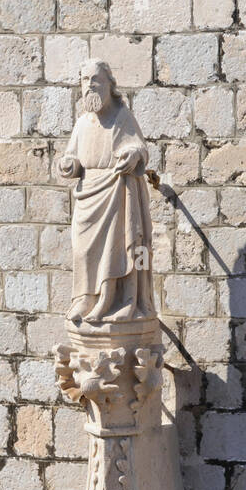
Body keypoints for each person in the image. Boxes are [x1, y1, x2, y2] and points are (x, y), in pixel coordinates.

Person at [59, 60, 155, 329]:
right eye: (84, 80)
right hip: (88, 193)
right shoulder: (82, 123)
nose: (89, 86)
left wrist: (134, 155)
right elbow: (73, 155)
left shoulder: (122, 117)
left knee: (115, 251)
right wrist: (68, 164)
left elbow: (141, 149)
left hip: (115, 191)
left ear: (109, 85)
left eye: (95, 80)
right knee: (82, 250)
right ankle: (84, 297)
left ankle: (109, 298)